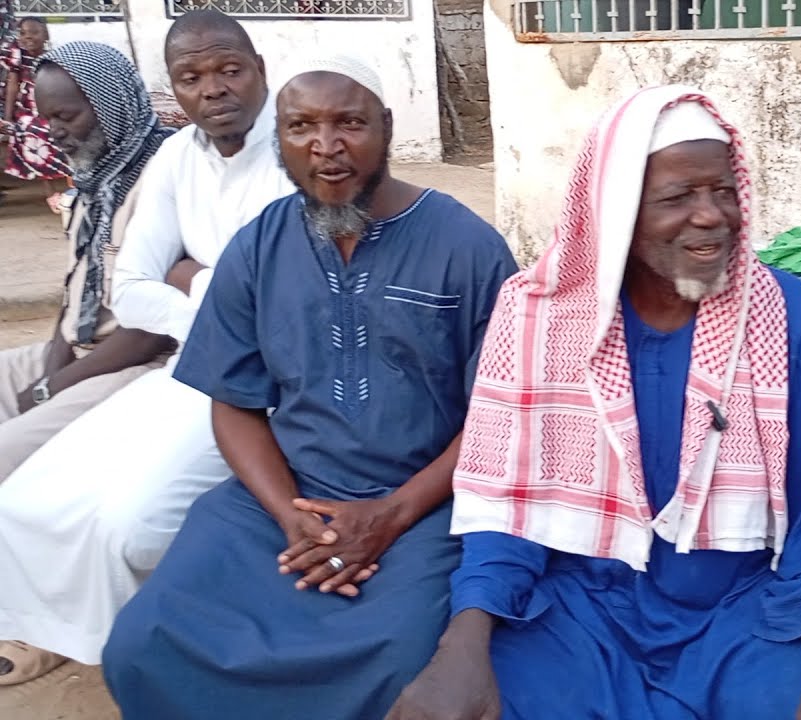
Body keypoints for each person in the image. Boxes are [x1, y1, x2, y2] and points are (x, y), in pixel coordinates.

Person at [387, 85, 801, 720]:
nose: (712, 215)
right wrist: (461, 643)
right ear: (617, 212)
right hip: (576, 614)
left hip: (743, 615)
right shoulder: (537, 316)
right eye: (678, 197)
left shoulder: (790, 316)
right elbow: (506, 511)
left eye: (723, 191)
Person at [102, 55, 518, 720]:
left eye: (349, 122)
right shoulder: (257, 246)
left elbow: (499, 421)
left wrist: (391, 516)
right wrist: (286, 512)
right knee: (142, 643)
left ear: (385, 126)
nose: (325, 147)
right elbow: (235, 404)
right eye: (300, 126)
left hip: (428, 507)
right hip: (279, 503)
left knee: (399, 663)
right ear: (280, 139)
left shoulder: (468, 247)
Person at [0, 10, 293, 673]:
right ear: (175, 88)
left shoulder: (295, 148)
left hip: (268, 382)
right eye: (190, 77)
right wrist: (215, 300)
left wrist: (192, 279)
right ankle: (53, 633)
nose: (212, 89)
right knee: (29, 496)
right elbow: (130, 286)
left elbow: (289, 299)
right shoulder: (175, 159)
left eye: (228, 70)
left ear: (260, 73)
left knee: (128, 521)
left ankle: (140, 651)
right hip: (196, 360)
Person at [0, 40, 175, 685]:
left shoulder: (160, 180)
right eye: (47, 116)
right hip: (75, 350)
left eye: (69, 115)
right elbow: (75, 283)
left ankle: (33, 626)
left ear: (110, 103)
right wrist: (49, 353)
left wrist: (54, 387)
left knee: (10, 454)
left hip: (131, 362)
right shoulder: (92, 177)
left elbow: (148, 328)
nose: (55, 130)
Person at [1, 16, 70, 212]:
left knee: (69, 136)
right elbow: (12, 85)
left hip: (51, 106)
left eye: (34, 32)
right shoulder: (18, 56)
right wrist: (7, 118)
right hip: (26, 109)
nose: (27, 37)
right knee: (33, 137)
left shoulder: (54, 57)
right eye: (23, 33)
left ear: (46, 35)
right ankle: (51, 194)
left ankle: (73, 188)